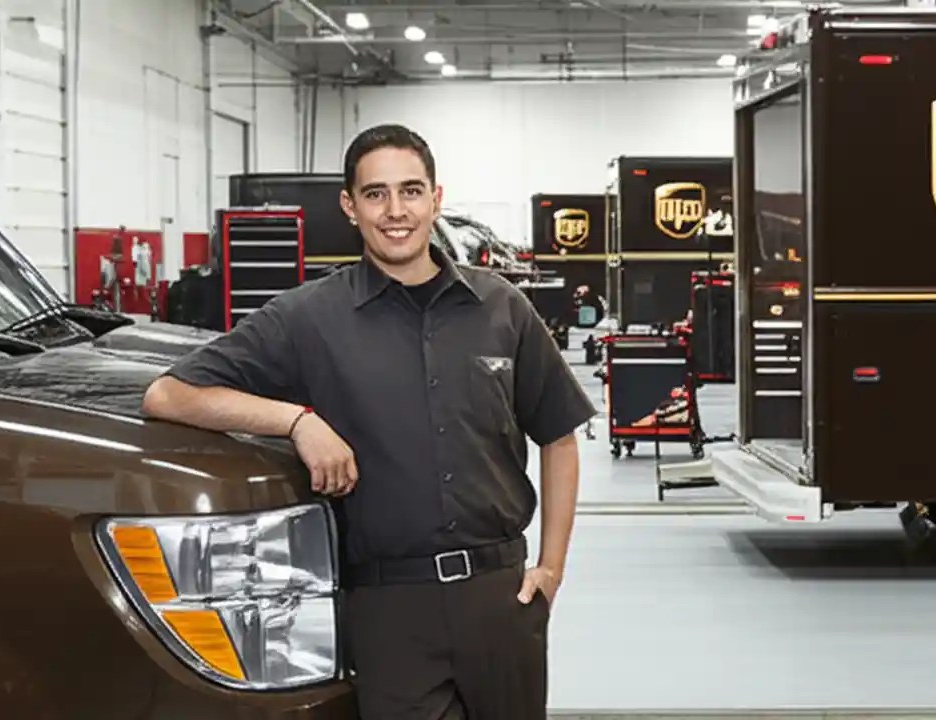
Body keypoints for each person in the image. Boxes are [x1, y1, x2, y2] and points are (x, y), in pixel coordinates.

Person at [141, 123, 596, 719]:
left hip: (501, 597)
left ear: (436, 198)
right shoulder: (308, 317)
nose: (396, 211)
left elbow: (558, 437)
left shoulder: (501, 307)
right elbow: (169, 395)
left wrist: (552, 568)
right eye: (376, 194)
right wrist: (298, 421)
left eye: (411, 191)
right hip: (388, 608)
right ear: (350, 207)